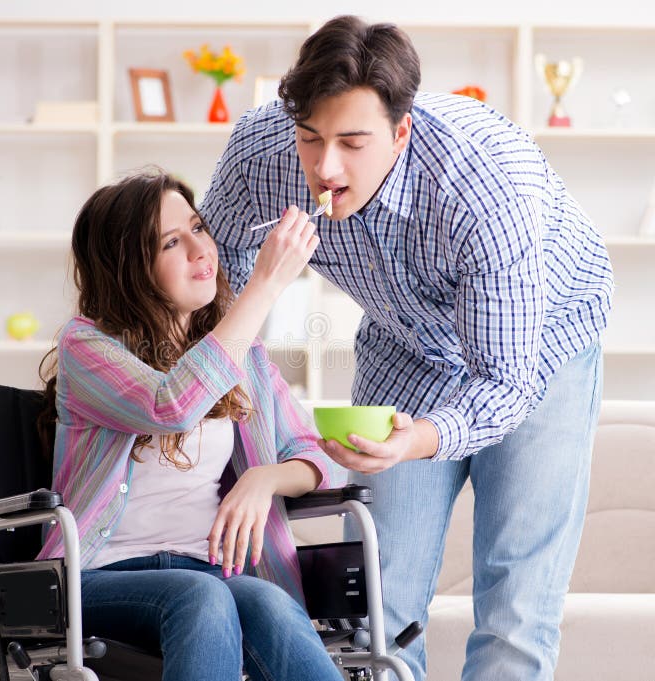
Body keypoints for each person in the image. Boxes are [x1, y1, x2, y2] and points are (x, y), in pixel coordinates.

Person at [200, 15, 613, 681]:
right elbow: (207, 288)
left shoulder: (484, 188)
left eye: (352, 143)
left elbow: (503, 383)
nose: (326, 167)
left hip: (541, 348)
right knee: (376, 606)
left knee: (515, 606)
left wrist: (416, 438)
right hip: (404, 342)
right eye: (311, 138)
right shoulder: (262, 155)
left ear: (401, 132)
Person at [36, 168, 347, 681]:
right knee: (201, 596)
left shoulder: (243, 357)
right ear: (129, 268)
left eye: (199, 228)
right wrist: (265, 286)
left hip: (205, 569)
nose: (201, 251)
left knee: (268, 602)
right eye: (171, 243)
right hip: (96, 575)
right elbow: (171, 405)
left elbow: (321, 458)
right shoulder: (86, 346)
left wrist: (262, 479)